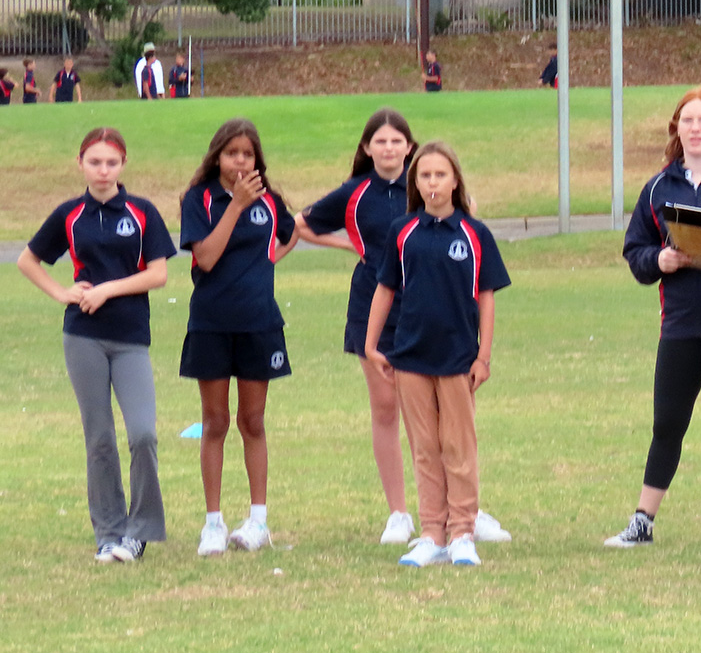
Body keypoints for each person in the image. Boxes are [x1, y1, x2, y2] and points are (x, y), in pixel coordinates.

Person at [296, 110, 510, 546]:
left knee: (449, 423)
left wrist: (483, 353)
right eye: (380, 141)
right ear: (367, 148)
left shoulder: (447, 209)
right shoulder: (356, 194)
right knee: (390, 410)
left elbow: (483, 284)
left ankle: (462, 514)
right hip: (376, 307)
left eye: (397, 141)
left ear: (409, 149)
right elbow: (302, 225)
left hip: (433, 316)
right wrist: (351, 246)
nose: (389, 148)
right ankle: (402, 513)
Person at [608, 86, 701, 551]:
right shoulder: (659, 186)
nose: (695, 129)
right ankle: (642, 520)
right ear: (677, 130)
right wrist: (660, 261)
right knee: (667, 423)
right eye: (687, 121)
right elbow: (635, 251)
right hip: (680, 324)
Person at [17, 128, 175, 562]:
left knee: (143, 434)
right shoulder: (69, 214)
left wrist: (107, 290)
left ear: (123, 165)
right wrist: (60, 293)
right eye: (95, 162)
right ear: (81, 163)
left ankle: (140, 531)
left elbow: (158, 274)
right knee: (99, 437)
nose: (103, 170)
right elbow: (27, 260)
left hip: (130, 339)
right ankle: (109, 532)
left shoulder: (142, 212)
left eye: (111, 162)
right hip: (82, 338)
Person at [367, 142, 510, 567]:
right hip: (410, 357)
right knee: (424, 448)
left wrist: (483, 356)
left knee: (457, 446)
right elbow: (385, 289)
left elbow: (486, 297)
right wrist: (373, 345)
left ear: (455, 181)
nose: (432, 183)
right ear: (416, 182)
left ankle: (462, 530)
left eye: (440, 175)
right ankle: (432, 531)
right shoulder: (402, 231)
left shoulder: (474, 233)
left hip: (457, 359)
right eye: (424, 175)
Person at [179, 119, 298, 556]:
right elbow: (205, 258)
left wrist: (266, 264)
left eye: (248, 154)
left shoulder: (270, 202)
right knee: (215, 422)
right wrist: (236, 206)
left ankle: (257, 521)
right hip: (211, 324)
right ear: (218, 157)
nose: (241, 161)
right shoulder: (200, 199)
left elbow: (291, 233)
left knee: (253, 421)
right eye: (232, 153)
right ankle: (213, 523)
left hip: (259, 324)